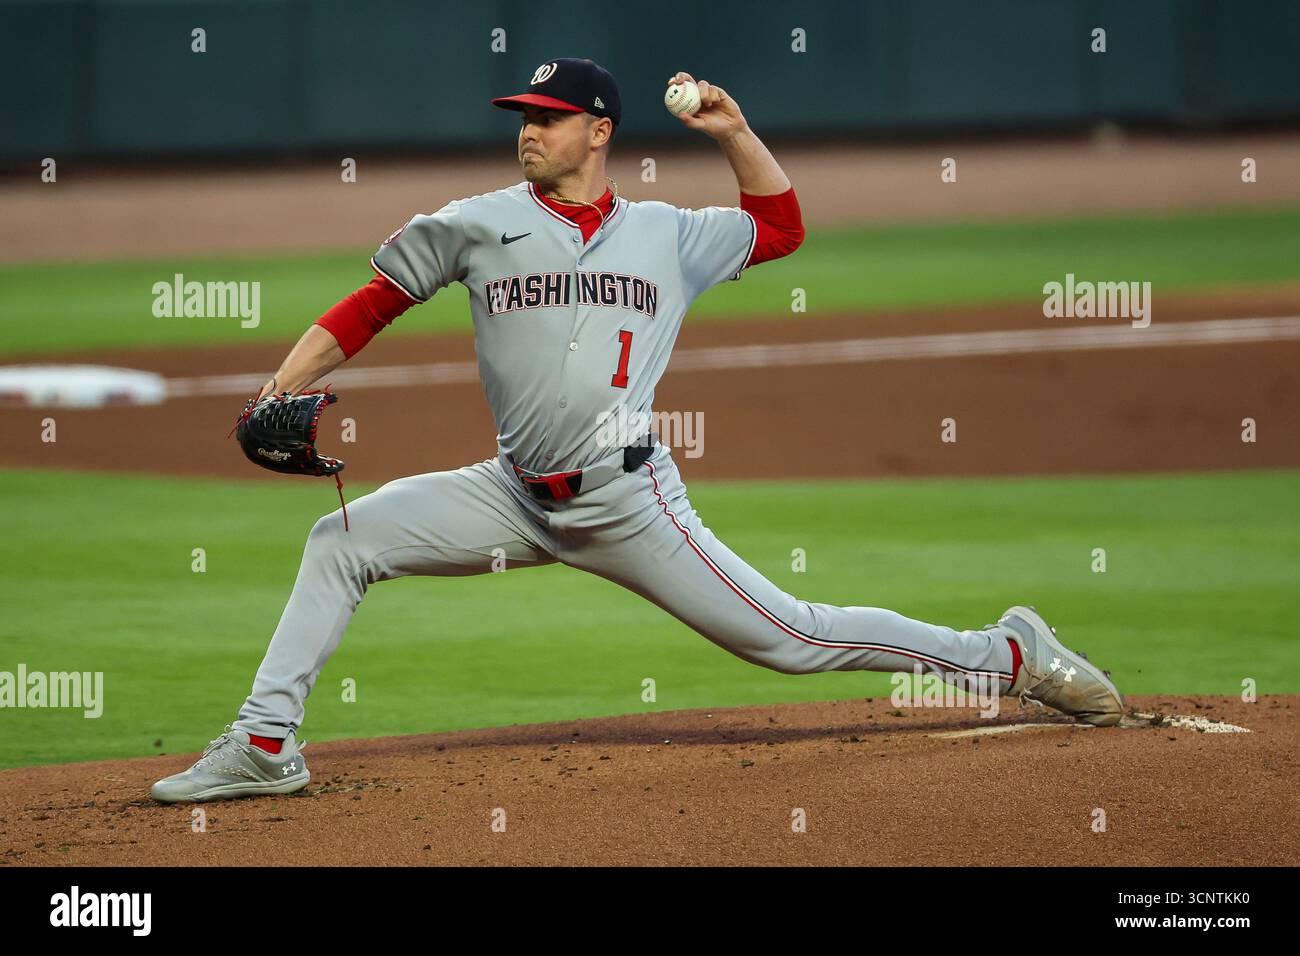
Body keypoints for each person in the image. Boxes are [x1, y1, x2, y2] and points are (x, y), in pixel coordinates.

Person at [152, 59, 1123, 804]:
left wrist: (733, 128)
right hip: (512, 492)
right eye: (522, 119)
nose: (528, 132)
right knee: (341, 540)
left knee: (796, 640)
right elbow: (369, 304)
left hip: (626, 501)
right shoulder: (475, 224)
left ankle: (1008, 654)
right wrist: (270, 390)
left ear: (598, 130)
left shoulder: (667, 233)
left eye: (547, 119)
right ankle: (267, 743)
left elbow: (778, 227)